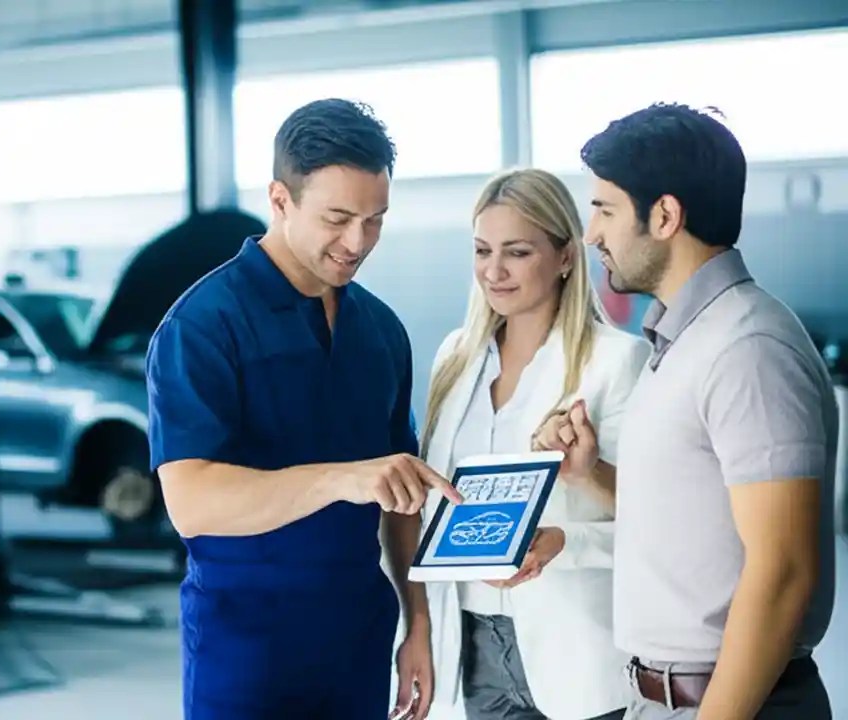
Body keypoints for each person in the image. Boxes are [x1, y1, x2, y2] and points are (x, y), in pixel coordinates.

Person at [145, 98, 461, 720]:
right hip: (246, 650)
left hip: (359, 641)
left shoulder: (381, 330)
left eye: (375, 219)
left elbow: (401, 493)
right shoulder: (202, 327)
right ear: (280, 199)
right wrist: (345, 477)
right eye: (338, 218)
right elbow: (191, 503)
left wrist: (417, 623)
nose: (358, 242)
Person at [546, 102, 839, 718]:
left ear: (665, 215)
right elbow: (696, 516)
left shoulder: (746, 347)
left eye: (604, 209)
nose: (591, 233)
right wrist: (590, 475)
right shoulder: (686, 342)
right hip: (666, 700)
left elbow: (784, 570)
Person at [418, 168, 650, 720]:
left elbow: (658, 524)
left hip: (577, 650)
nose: (493, 271)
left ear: (566, 256)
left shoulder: (617, 361)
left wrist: (561, 542)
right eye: (482, 250)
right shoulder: (455, 357)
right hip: (476, 648)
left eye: (517, 252)